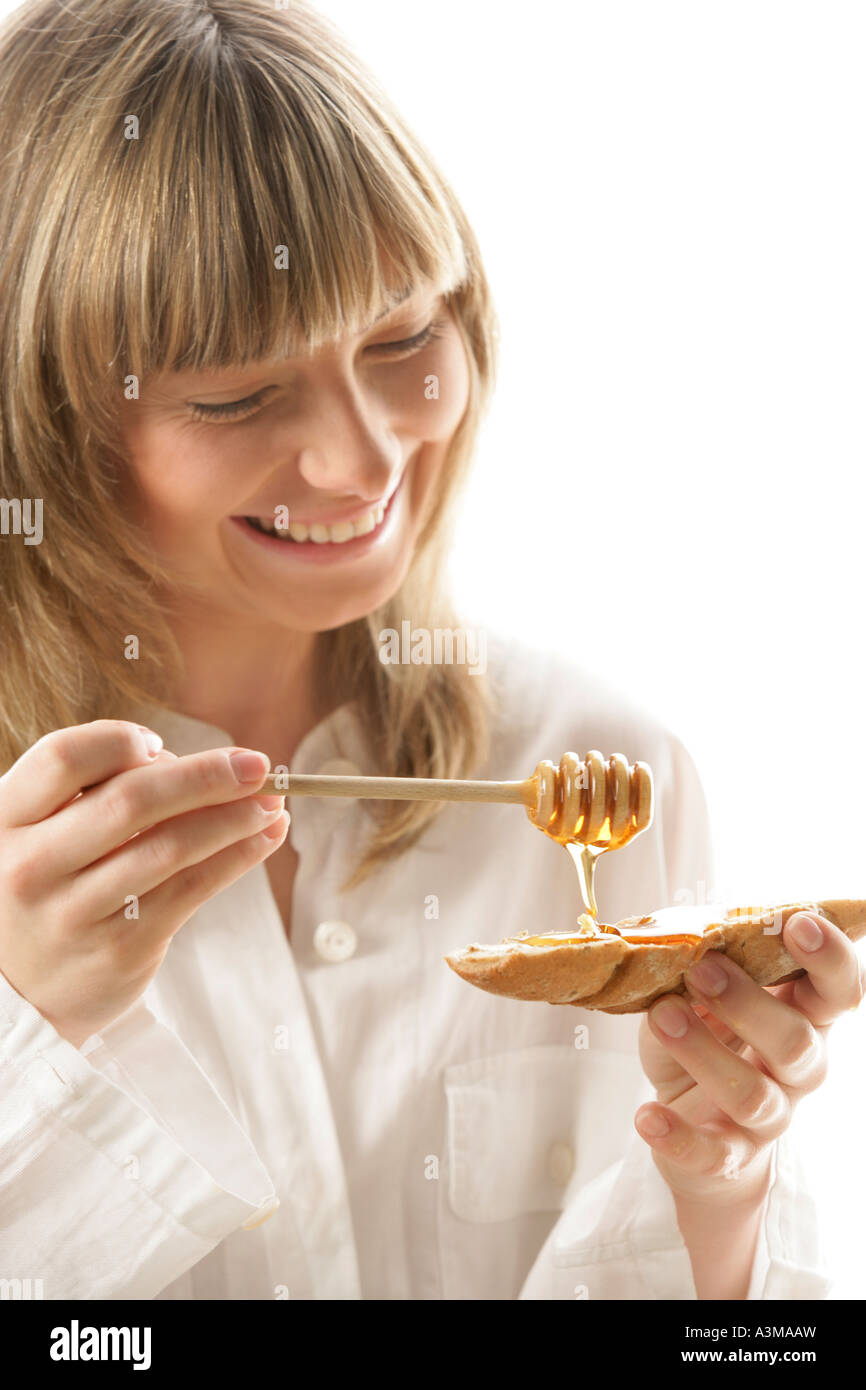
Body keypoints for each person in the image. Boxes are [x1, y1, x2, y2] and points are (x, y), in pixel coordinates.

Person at [0, 0, 857, 1301]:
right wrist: (24, 1029)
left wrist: (719, 1195)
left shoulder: (600, 767)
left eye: (404, 340)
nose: (362, 459)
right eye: (237, 393)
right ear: (45, 415)